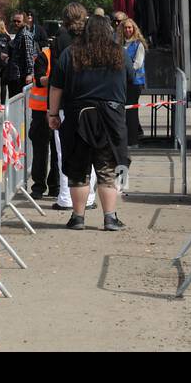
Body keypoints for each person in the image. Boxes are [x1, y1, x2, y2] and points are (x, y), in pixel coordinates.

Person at [47, 15, 128, 231]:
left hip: (78, 117)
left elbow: (56, 87)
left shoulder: (71, 53)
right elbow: (132, 81)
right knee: (107, 169)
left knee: (78, 169)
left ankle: (78, 217)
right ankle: (110, 218)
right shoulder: (119, 53)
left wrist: (53, 114)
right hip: (110, 118)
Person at [50, 3, 94, 211]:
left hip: (68, 101)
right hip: (93, 100)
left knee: (65, 151)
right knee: (93, 151)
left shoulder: (61, 40)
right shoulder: (92, 38)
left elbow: (57, 76)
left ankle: (67, 197)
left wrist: (52, 110)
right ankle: (91, 196)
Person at [27, 41, 59, 199]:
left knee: (57, 151)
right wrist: (56, 78)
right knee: (40, 151)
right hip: (40, 111)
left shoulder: (67, 55)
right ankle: (38, 186)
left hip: (58, 110)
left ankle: (55, 186)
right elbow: (39, 80)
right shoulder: (44, 56)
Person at [119, 16, 147, 151]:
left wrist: (124, 70)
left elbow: (138, 63)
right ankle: (126, 139)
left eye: (130, 27)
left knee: (132, 111)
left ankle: (133, 140)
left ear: (134, 29)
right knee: (124, 111)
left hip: (135, 82)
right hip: (123, 81)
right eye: (125, 28)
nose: (128, 30)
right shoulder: (121, 43)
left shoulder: (138, 44)